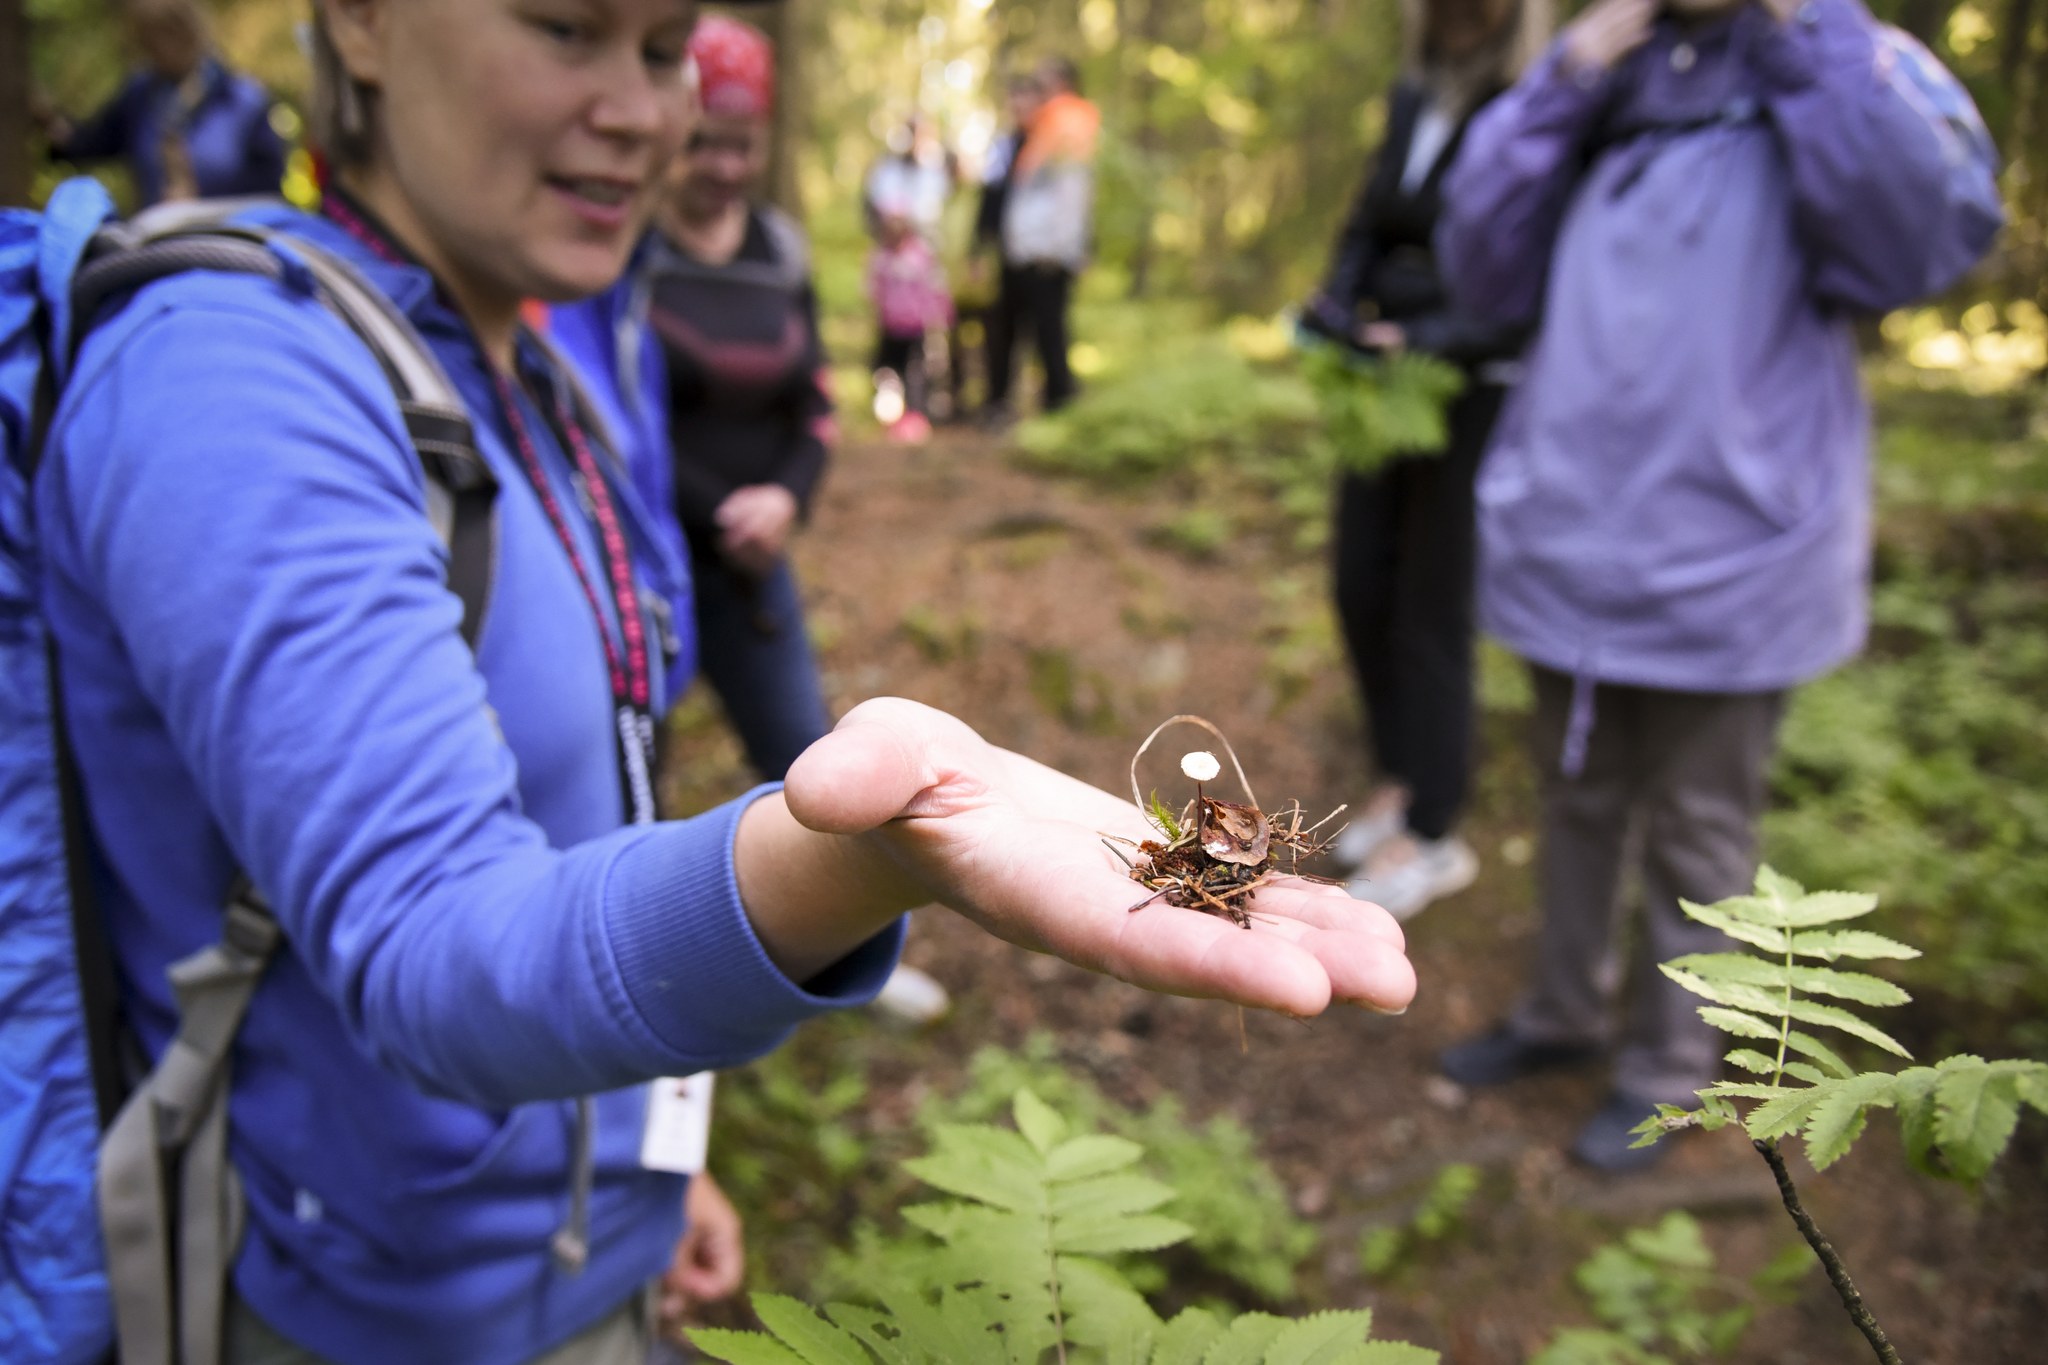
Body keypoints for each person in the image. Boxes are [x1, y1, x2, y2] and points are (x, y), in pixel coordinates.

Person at [36, 2, 1417, 1362]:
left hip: (585, 1239)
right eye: (567, 30)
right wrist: (866, 862)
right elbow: (428, 936)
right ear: (362, 24)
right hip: (361, 1305)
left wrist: (649, 1153)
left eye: (660, 49)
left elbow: (569, 820)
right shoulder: (231, 379)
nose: (641, 109)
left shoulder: (533, 365)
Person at [1433, 0, 2001, 1170]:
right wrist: (1562, 80)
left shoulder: (1843, 61)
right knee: (1573, 795)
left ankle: (1665, 1075)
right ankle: (1558, 1013)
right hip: (1571, 529)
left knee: (1700, 830)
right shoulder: (1600, 76)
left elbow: (1919, 239)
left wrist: (1805, 31)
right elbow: (1479, 260)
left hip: (1735, 547)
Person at [1303, 0, 1551, 922]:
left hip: (1468, 383)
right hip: (1378, 375)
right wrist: (1338, 303)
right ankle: (1398, 780)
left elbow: (1527, 276)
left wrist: (1429, 334)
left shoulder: (1529, 107)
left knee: (1430, 602)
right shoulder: (1416, 95)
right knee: (1361, 581)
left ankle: (1436, 827)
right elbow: (1370, 214)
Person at [39, 0, 287, 208]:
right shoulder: (139, 96)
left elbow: (269, 187)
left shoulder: (243, 99)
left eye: (165, 35)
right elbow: (89, 144)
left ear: (190, 30)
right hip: (160, 244)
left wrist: (199, 201)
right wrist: (49, 121)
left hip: (234, 239)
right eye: (147, 40)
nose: (158, 50)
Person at [988, 55, 1098, 419]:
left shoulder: (1069, 125)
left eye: (1045, 84)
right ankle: (1012, 402)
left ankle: (1058, 405)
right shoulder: (1037, 133)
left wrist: (1063, 247)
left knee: (1049, 331)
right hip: (1024, 252)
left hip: (1047, 254)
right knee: (1012, 329)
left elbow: (1072, 196)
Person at [972, 71, 1043, 424]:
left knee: (1045, 330)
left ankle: (1051, 404)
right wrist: (978, 250)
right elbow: (988, 198)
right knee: (1002, 330)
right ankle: (997, 402)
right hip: (1008, 255)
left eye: (1026, 97)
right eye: (1014, 98)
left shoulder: (1050, 145)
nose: (1019, 105)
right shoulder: (1003, 146)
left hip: (1044, 256)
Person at [868, 202, 952, 443]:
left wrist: (939, 317)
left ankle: (915, 418)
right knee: (888, 374)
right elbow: (875, 291)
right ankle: (892, 417)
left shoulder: (920, 257)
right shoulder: (880, 258)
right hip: (890, 328)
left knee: (916, 375)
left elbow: (935, 289)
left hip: (915, 328)